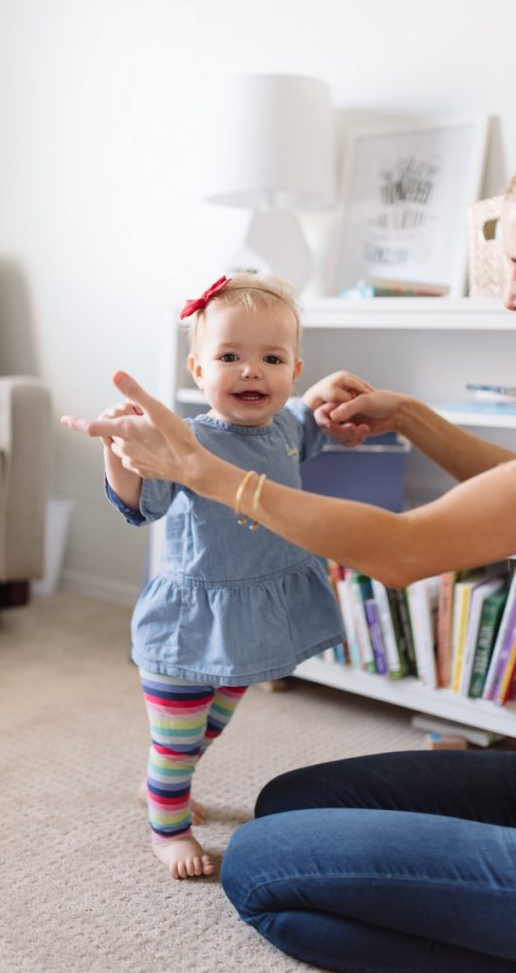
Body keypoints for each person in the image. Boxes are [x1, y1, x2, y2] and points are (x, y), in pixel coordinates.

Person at [62, 137, 516, 970]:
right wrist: (405, 415)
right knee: (284, 802)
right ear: (198, 365)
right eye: (230, 357)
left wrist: (210, 469)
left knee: (257, 868)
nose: (512, 296)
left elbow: (402, 548)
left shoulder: (241, 438)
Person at [62, 272, 372, 881]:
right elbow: (140, 505)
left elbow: (307, 423)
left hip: (249, 624)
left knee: (214, 724)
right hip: (189, 626)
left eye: (271, 359)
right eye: (230, 356)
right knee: (177, 741)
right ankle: (168, 827)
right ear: (198, 369)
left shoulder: (285, 427)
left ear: (293, 369)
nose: (251, 371)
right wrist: (117, 451)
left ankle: (164, 781)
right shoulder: (186, 441)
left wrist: (325, 395)